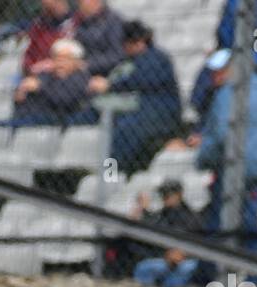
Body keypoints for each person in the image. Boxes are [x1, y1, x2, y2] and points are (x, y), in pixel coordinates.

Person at [196, 64, 257, 252]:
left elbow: (221, 134)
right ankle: (253, 273)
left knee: (219, 220)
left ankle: (214, 269)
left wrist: (203, 160)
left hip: (230, 166)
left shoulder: (229, 93)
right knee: (251, 219)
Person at [89, 19, 181, 173]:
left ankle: (111, 175)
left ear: (138, 42)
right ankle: (111, 175)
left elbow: (141, 80)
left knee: (123, 132)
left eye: (127, 44)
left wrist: (110, 85)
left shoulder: (155, 57)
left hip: (160, 113)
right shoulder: (136, 60)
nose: (125, 49)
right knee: (112, 126)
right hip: (144, 110)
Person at [131, 180, 204, 287]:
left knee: (184, 269)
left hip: (186, 259)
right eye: (163, 194)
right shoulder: (162, 214)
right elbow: (143, 223)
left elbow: (198, 240)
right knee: (143, 267)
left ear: (179, 194)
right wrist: (142, 208)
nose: (164, 197)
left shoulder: (191, 216)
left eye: (168, 194)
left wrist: (183, 252)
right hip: (162, 258)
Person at [10, 37, 96, 126]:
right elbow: (23, 101)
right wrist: (20, 93)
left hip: (65, 122)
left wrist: (40, 87)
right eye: (57, 58)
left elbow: (64, 99)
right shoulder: (45, 75)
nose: (60, 63)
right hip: (33, 121)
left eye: (65, 59)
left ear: (76, 61)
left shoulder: (82, 78)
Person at [69, 0, 124, 76]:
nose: (79, 7)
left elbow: (116, 55)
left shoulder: (113, 21)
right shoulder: (78, 20)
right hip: (76, 68)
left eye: (82, 3)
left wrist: (87, 64)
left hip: (104, 72)